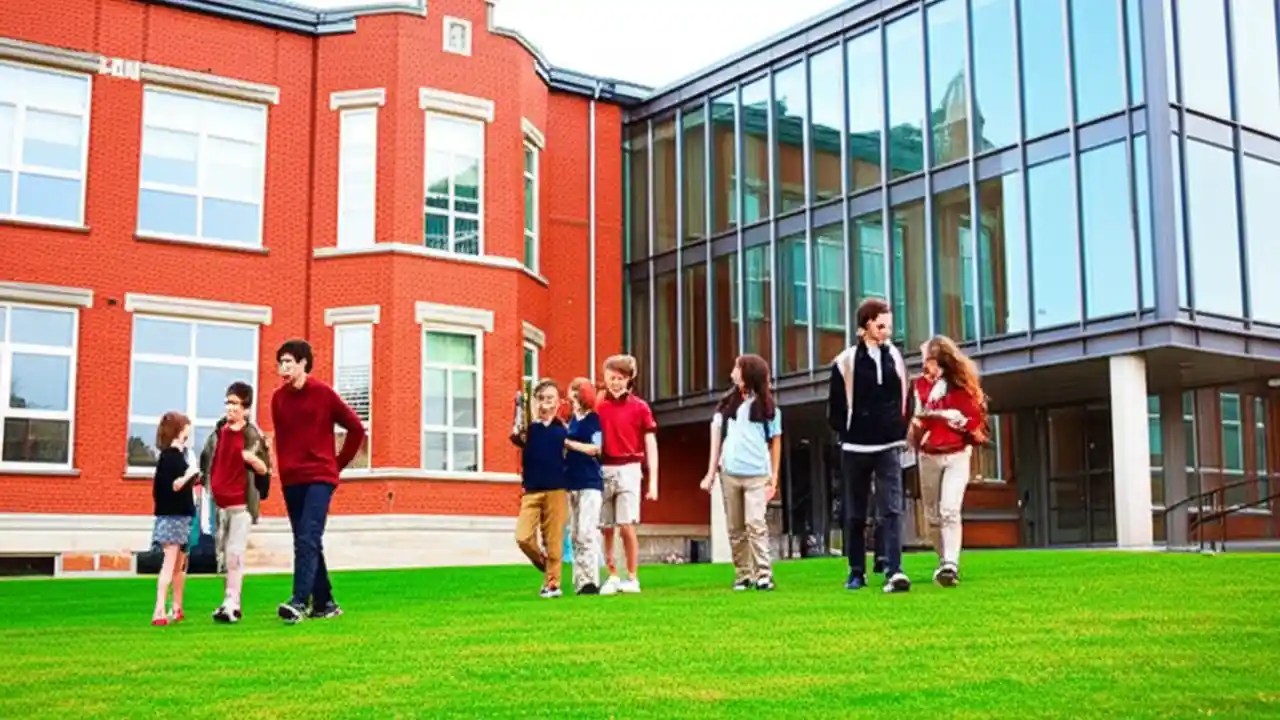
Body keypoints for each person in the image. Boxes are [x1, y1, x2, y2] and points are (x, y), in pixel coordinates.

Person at [272, 339, 367, 624]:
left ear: (303, 363)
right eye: (281, 362)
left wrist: (335, 465)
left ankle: (299, 601)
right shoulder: (278, 399)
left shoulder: (323, 394)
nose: (284, 367)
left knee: (308, 537)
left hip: (319, 477)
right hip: (292, 479)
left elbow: (356, 428)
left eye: (289, 361)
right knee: (307, 539)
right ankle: (325, 603)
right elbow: (285, 441)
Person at [826, 298, 911, 593]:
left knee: (891, 507)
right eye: (881, 325)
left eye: (889, 324)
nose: (886, 330)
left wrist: (898, 428)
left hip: (888, 443)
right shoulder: (845, 362)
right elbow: (835, 407)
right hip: (855, 447)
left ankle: (894, 569)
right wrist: (848, 430)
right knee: (855, 512)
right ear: (865, 327)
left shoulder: (895, 357)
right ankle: (856, 570)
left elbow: (904, 396)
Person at [699, 354, 782, 591]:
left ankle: (763, 573)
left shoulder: (768, 408)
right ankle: (742, 574)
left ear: (749, 373)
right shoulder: (726, 406)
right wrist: (710, 473)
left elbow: (776, 442)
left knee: (755, 523)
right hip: (730, 472)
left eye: (738, 367)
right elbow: (717, 441)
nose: (733, 371)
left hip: (757, 474)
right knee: (735, 527)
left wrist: (773, 477)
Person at [910, 335, 988, 587]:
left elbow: (975, 419)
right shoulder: (919, 386)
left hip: (956, 453)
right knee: (932, 514)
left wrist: (960, 422)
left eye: (928, 361)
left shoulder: (962, 387)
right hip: (928, 454)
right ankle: (944, 561)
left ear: (940, 360)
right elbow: (916, 417)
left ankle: (951, 565)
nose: (925, 367)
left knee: (950, 510)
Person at [199, 382, 271, 624]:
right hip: (218, 506)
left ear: (246, 409)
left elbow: (265, 469)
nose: (229, 408)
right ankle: (229, 602)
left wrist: (250, 457)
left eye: (235, 404)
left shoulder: (252, 436)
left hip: (241, 506)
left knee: (234, 553)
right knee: (222, 556)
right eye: (227, 402)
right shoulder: (218, 433)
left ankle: (232, 602)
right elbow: (206, 463)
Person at [595, 354, 658, 595]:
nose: (615, 382)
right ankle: (612, 574)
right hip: (604, 469)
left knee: (627, 525)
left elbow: (651, 443)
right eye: (611, 377)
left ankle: (632, 576)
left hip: (630, 469)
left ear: (629, 379)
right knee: (607, 526)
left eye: (620, 378)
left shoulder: (640, 407)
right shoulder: (599, 407)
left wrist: (653, 482)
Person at [510, 379, 571, 598]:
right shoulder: (528, 430)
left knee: (554, 541)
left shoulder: (564, 430)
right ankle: (545, 566)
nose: (546, 404)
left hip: (557, 490)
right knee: (523, 536)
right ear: (536, 402)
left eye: (550, 399)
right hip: (532, 491)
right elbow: (516, 435)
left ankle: (552, 585)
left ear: (559, 402)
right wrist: (521, 408)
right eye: (542, 399)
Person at [151, 411, 200, 626]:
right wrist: (192, 472)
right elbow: (177, 484)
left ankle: (176, 607)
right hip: (174, 518)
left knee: (180, 564)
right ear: (179, 430)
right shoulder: (172, 456)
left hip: (181, 516)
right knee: (170, 564)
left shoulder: (175, 455)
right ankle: (159, 609)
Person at [563, 377, 605, 595]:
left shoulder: (593, 420)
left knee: (587, 532)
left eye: (573, 392)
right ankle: (580, 581)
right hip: (572, 482)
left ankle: (590, 580)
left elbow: (595, 448)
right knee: (574, 534)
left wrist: (569, 444)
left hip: (590, 482)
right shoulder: (572, 420)